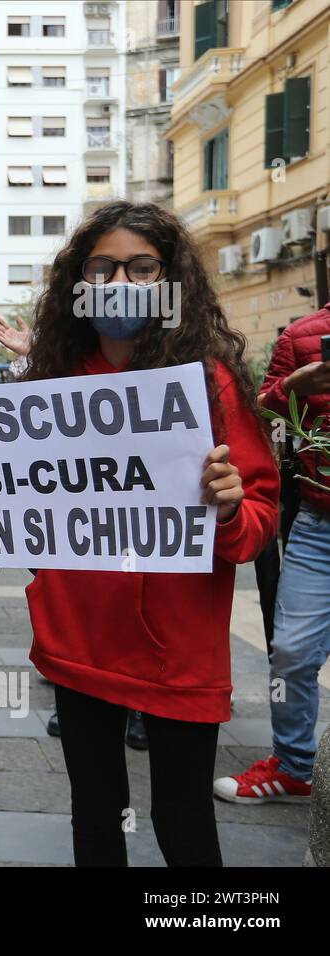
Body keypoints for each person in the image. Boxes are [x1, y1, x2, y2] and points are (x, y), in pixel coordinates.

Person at [0, 201, 279, 866]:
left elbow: (256, 523)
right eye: (102, 268)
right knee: (95, 816)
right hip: (78, 642)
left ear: (171, 281)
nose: (119, 283)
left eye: (142, 267)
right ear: (78, 283)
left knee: (184, 821)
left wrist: (229, 510)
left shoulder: (210, 382)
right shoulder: (51, 385)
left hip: (179, 656)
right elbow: (0, 497)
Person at [0, 311, 150, 750]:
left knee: (132, 600)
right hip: (68, 506)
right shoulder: (63, 356)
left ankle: (138, 706)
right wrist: (31, 360)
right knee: (78, 602)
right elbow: (27, 418)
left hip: (130, 504)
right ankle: (74, 689)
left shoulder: (161, 358)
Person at [214, 302, 330, 805]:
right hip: (319, 522)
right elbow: (256, 414)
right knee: (291, 650)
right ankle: (294, 765)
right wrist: (289, 390)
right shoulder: (303, 337)